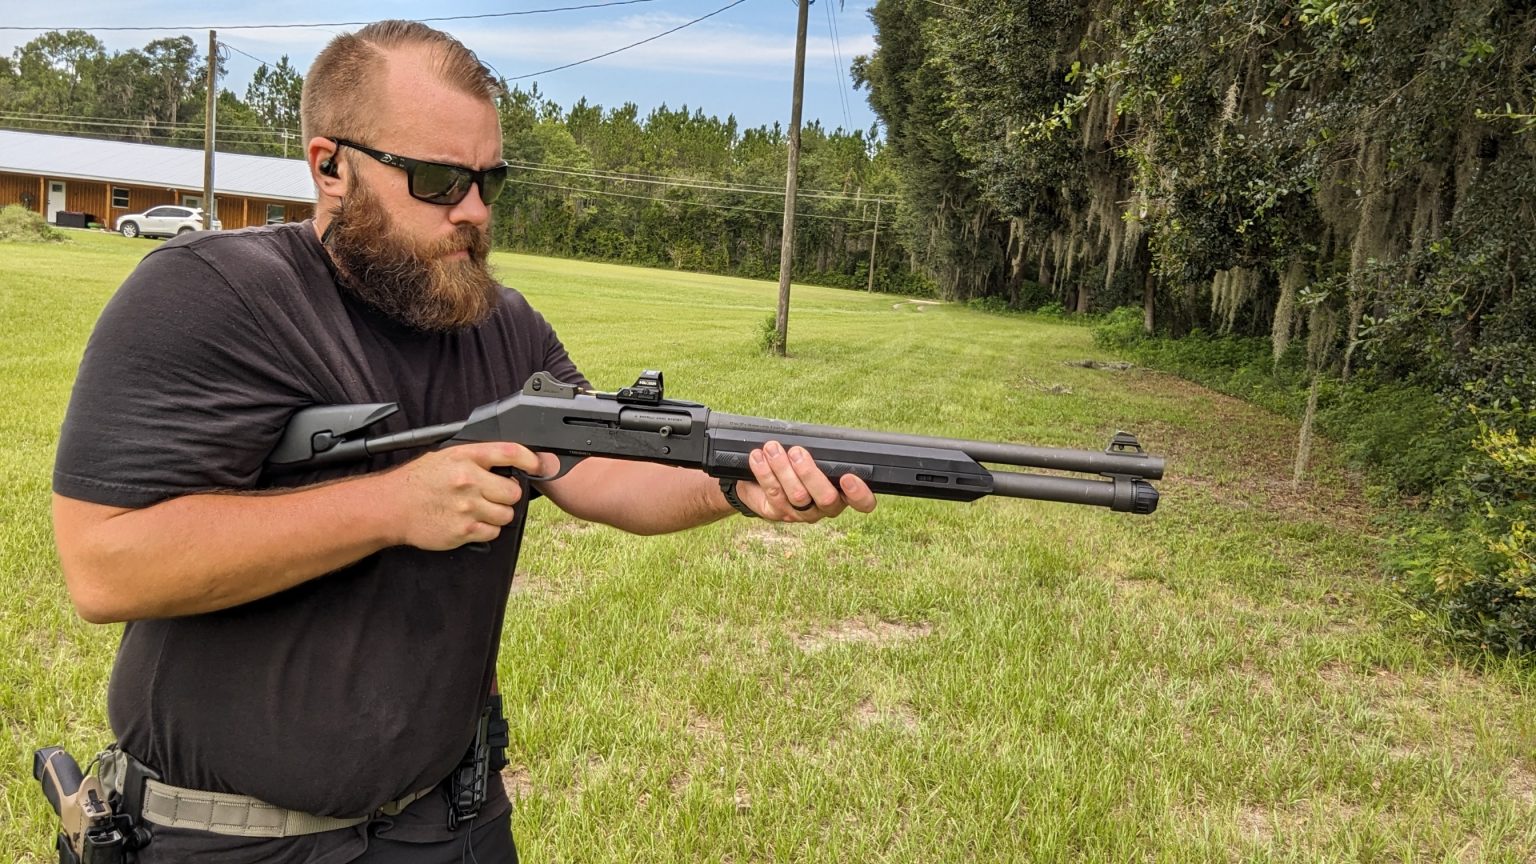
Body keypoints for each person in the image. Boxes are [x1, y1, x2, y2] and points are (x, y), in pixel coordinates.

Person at [50, 20, 876, 864]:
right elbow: (107, 563)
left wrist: (736, 483)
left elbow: (600, 471)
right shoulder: (216, 295)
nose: (474, 211)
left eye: (489, 180)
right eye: (441, 180)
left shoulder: (501, 323)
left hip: (452, 818)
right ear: (330, 164)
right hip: (226, 838)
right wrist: (390, 504)